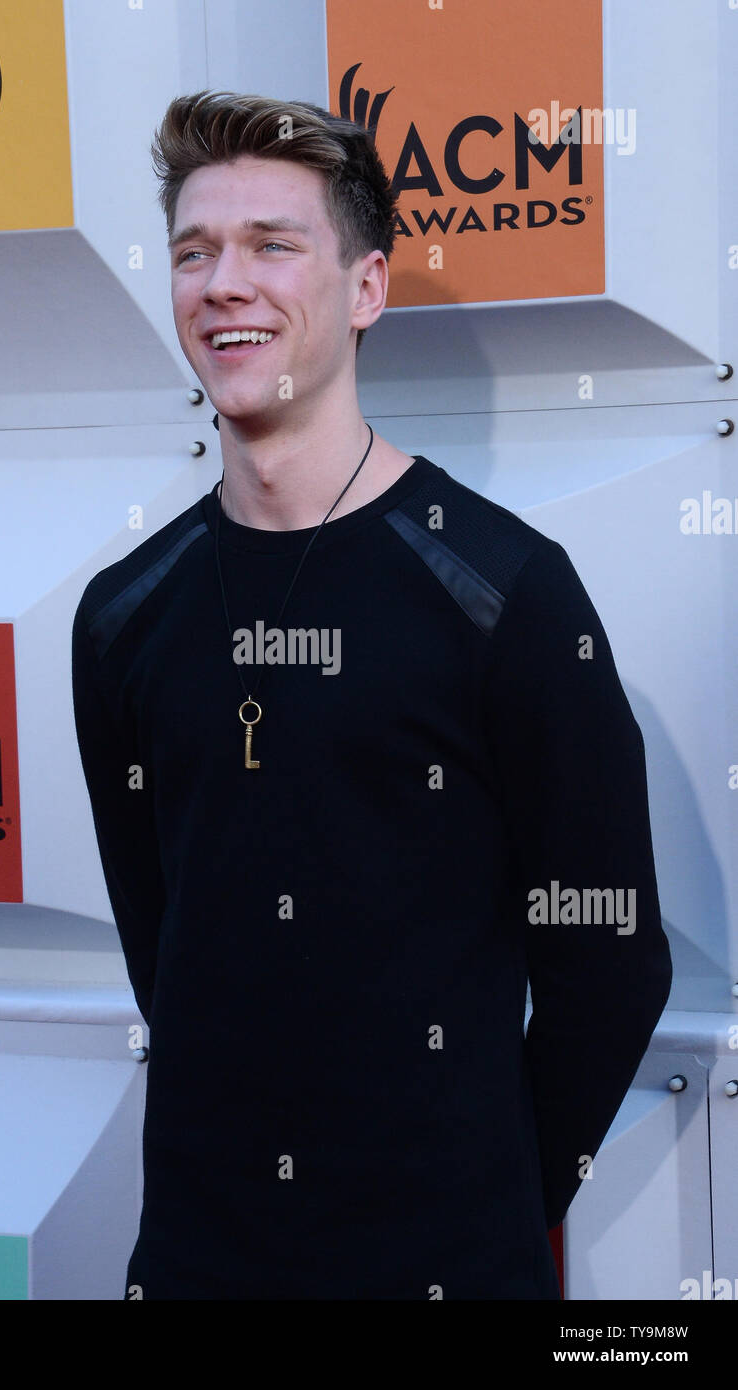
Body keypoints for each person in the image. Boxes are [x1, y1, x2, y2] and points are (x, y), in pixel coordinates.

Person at [72, 90, 672, 1300]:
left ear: (365, 290)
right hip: (195, 1263)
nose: (223, 282)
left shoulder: (506, 593)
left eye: (271, 246)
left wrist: (488, 1201)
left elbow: (609, 960)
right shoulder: (124, 615)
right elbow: (168, 951)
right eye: (195, 252)